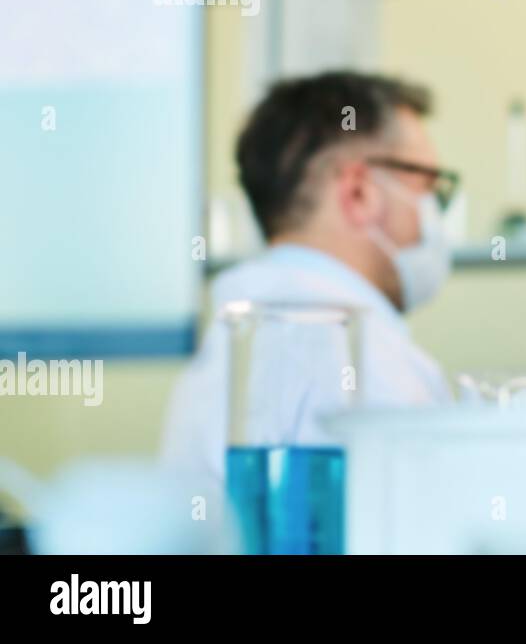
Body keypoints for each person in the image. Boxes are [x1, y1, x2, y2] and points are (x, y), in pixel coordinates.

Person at [162, 72, 455, 483]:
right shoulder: (350, 356)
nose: (434, 213)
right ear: (358, 193)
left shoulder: (229, 344)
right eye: (430, 188)